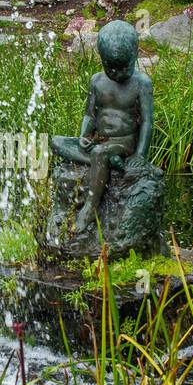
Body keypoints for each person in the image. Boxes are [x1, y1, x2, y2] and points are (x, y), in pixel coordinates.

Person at [50, 21, 154, 234]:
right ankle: (108, 163)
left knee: (99, 152)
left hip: (124, 142)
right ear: (101, 59)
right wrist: (83, 136)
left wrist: (141, 155)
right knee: (56, 142)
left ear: (135, 54)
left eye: (125, 68)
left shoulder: (142, 83)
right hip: (100, 142)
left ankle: (90, 207)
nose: (117, 74)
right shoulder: (96, 81)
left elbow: (146, 122)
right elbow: (89, 115)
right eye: (111, 68)